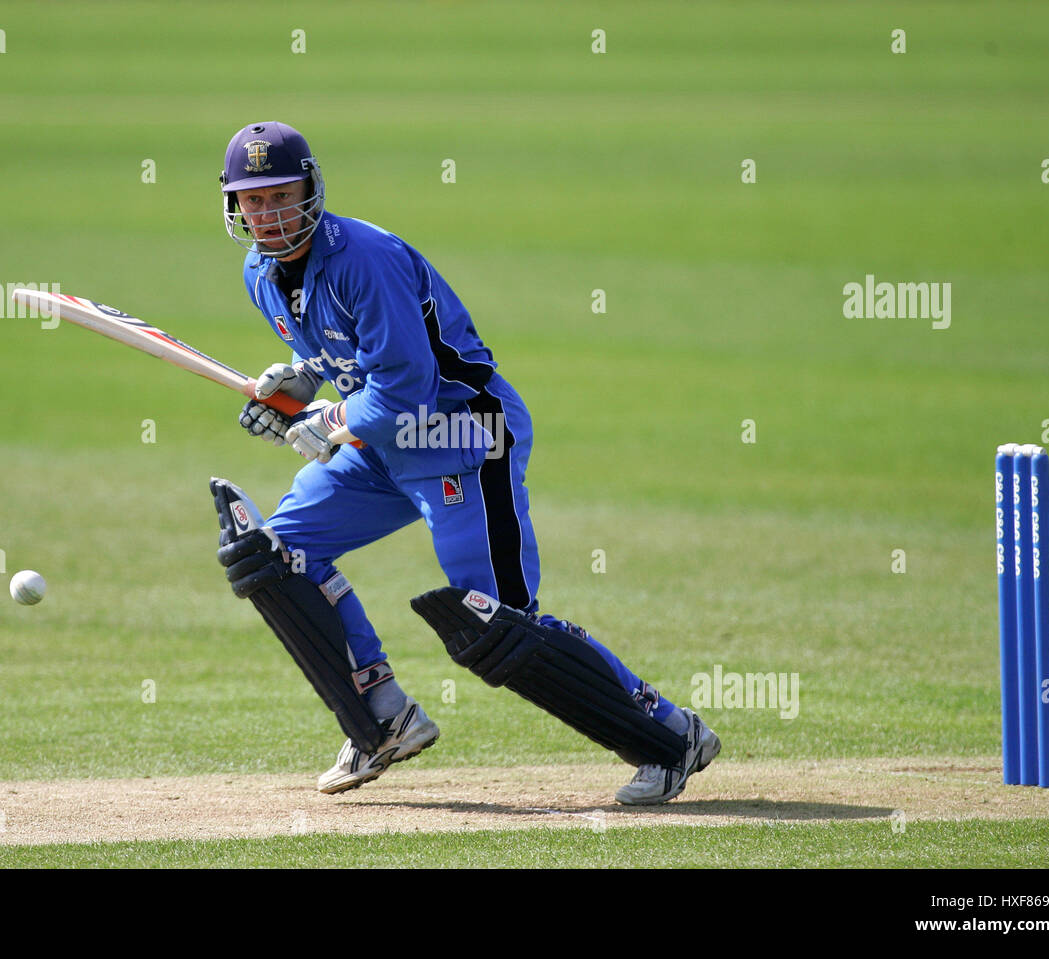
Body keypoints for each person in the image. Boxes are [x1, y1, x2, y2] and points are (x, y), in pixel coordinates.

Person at [212, 121, 720, 804]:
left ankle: (670, 735)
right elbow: (348, 355)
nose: (269, 213)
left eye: (282, 193)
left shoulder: (364, 258)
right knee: (273, 553)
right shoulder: (259, 274)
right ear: (234, 207)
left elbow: (405, 386)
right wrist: (300, 383)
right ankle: (381, 718)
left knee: (502, 625)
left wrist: (326, 420)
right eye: (254, 200)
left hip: (459, 436)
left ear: (312, 188)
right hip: (380, 450)